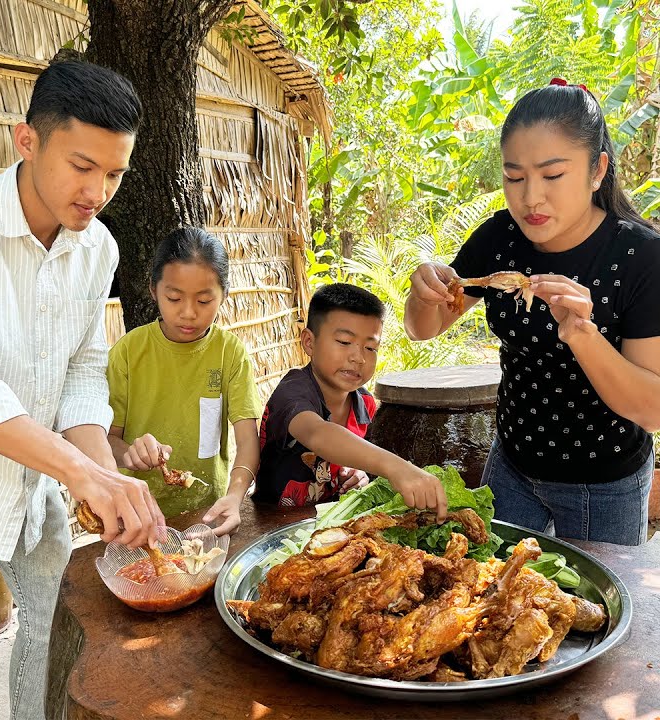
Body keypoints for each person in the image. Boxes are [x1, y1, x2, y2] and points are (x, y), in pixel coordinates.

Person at [0, 59, 167, 719]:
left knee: (52, 634)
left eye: (114, 174)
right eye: (81, 166)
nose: (96, 192)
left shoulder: (100, 250)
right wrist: (81, 472)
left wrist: (103, 477)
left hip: (35, 492)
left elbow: (84, 370)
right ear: (26, 141)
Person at [405, 79, 660, 545]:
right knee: (493, 596)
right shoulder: (499, 237)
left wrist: (582, 333)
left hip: (604, 482)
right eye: (514, 177)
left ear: (597, 170)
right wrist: (422, 295)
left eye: (552, 175)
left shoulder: (640, 258)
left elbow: (651, 409)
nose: (530, 198)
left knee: (594, 610)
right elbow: (425, 328)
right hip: (512, 466)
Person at [106, 227, 261, 534]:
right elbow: (106, 439)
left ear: (224, 296)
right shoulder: (128, 352)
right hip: (138, 516)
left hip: (206, 514)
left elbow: (247, 441)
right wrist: (129, 453)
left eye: (204, 301)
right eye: (174, 298)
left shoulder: (230, 353)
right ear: (154, 290)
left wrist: (235, 495)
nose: (188, 313)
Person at [256, 283, 448, 516]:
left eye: (370, 347)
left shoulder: (364, 405)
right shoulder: (292, 393)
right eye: (345, 342)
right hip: (273, 525)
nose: (358, 358)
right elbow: (317, 433)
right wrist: (396, 467)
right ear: (309, 342)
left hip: (333, 527)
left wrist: (360, 475)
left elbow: (355, 457)